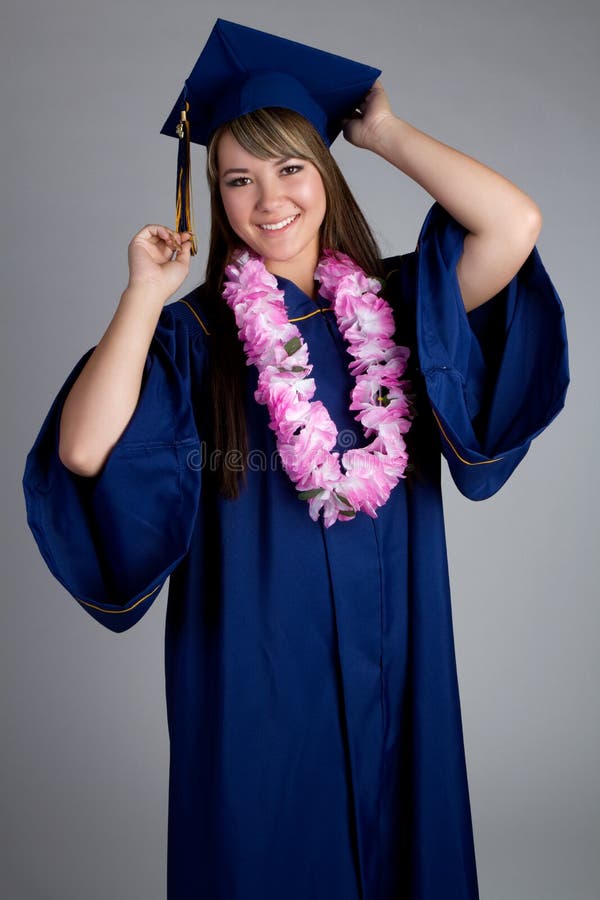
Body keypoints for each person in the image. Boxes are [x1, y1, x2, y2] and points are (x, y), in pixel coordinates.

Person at [23, 18, 569, 900]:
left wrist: (383, 131)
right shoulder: (193, 335)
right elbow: (84, 449)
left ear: (325, 174)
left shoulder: (395, 307)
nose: (268, 199)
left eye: (289, 168)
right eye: (238, 179)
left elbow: (515, 222)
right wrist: (141, 294)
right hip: (255, 653)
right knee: (265, 844)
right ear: (215, 198)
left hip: (397, 638)